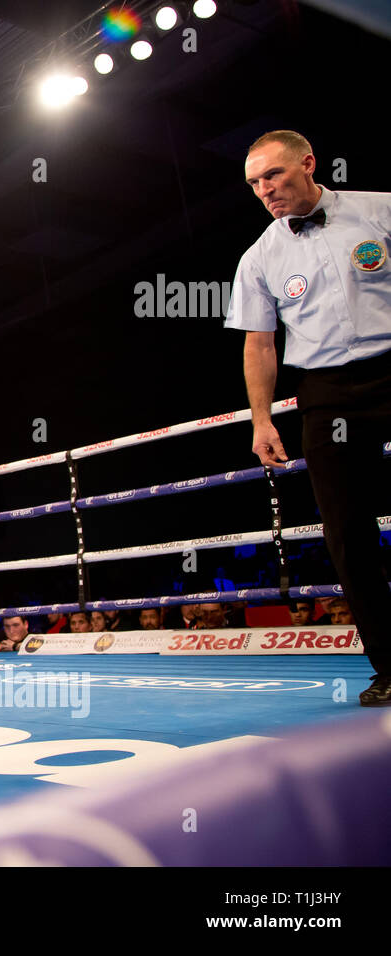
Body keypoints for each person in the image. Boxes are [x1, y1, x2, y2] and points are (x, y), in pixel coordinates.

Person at [226, 129, 391, 705]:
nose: (265, 190)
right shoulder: (260, 257)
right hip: (324, 391)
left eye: (273, 175)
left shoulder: (380, 211)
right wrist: (261, 419)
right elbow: (259, 344)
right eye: (254, 183)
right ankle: (389, 666)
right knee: (346, 530)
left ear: (308, 164)